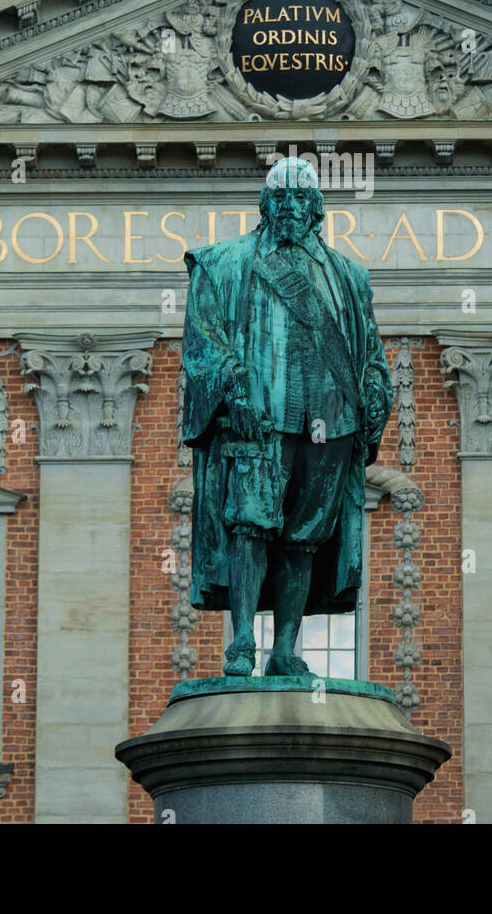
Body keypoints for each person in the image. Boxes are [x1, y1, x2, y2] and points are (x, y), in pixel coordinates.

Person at [181, 156, 392, 676]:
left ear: (317, 209)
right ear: (265, 206)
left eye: (302, 200)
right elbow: (203, 340)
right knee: (250, 524)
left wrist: (373, 392)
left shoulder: (348, 276)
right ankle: (243, 640)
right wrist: (233, 389)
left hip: (329, 426)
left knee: (304, 537)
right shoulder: (224, 263)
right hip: (258, 420)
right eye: (281, 199)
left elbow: (369, 354)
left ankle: (287, 648)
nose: (291, 209)